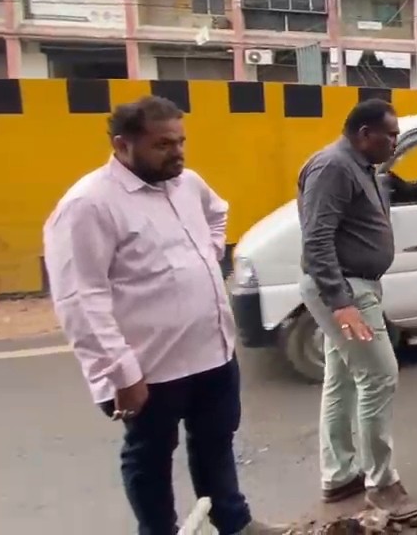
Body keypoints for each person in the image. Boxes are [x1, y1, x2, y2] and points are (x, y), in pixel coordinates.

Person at [43, 96, 292, 535]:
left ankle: (234, 523)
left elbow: (219, 214)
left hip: (213, 352)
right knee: (150, 458)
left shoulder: (187, 183)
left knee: (216, 445)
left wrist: (207, 253)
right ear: (123, 145)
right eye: (162, 144)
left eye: (180, 142)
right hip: (149, 368)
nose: (177, 152)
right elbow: (81, 298)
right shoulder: (89, 205)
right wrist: (121, 373)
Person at [297, 98, 417, 523]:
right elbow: (316, 240)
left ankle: (339, 476)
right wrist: (343, 302)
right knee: (379, 376)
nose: (395, 141)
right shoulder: (333, 167)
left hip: (358, 285)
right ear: (364, 134)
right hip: (346, 289)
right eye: (390, 134)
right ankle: (382, 484)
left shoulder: (361, 168)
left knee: (343, 381)